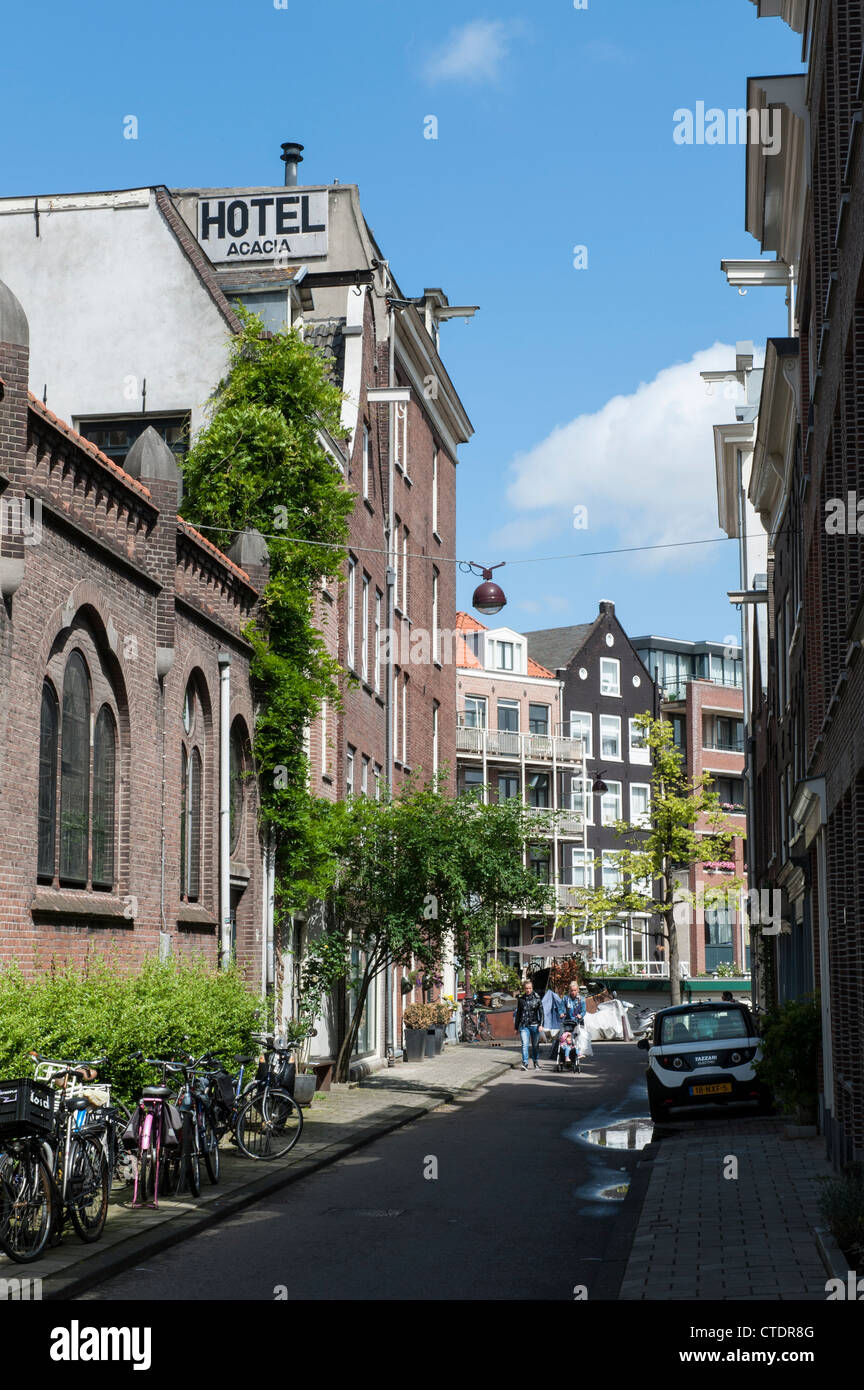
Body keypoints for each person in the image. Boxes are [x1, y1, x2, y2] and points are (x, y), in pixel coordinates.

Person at [514, 978, 545, 1071]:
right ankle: (525, 1063)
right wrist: (516, 1027)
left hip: (535, 1025)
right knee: (525, 1044)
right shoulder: (521, 999)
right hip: (524, 1025)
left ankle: (535, 1061)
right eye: (526, 988)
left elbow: (542, 1013)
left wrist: (541, 1024)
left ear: (532, 988)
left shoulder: (537, 998)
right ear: (524, 989)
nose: (528, 990)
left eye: (529, 988)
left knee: (535, 1045)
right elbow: (518, 1013)